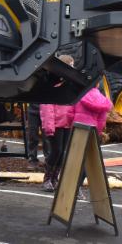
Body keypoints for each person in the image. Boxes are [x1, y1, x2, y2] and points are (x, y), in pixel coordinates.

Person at [39, 54, 76, 191]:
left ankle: (54, 178)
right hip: (56, 124)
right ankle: (47, 178)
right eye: (71, 66)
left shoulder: (70, 84)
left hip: (67, 123)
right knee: (56, 151)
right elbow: (47, 107)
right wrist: (49, 126)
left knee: (62, 152)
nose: (73, 68)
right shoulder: (52, 84)